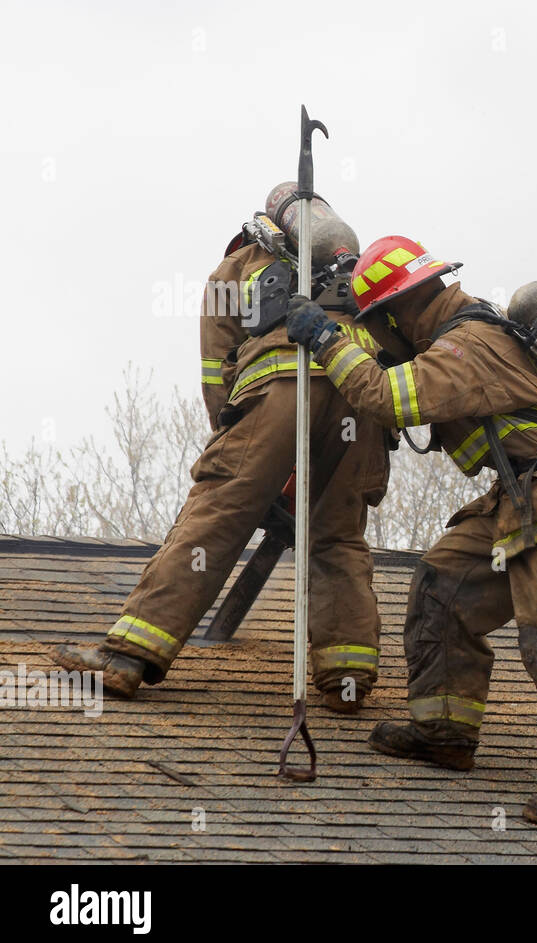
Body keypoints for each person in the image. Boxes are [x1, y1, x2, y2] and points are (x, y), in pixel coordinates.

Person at [262, 235, 537, 829]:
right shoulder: (456, 338)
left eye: (380, 319)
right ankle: (444, 731)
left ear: (402, 308)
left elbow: (388, 397)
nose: (380, 329)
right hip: (523, 495)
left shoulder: (467, 347)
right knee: (445, 586)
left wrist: (326, 338)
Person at [52, 196, 395, 713]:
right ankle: (346, 677)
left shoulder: (237, 266)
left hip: (278, 390)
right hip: (360, 399)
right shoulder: (358, 269)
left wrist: (233, 443)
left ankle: (127, 658)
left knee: (218, 513)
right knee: (338, 534)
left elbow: (217, 368)